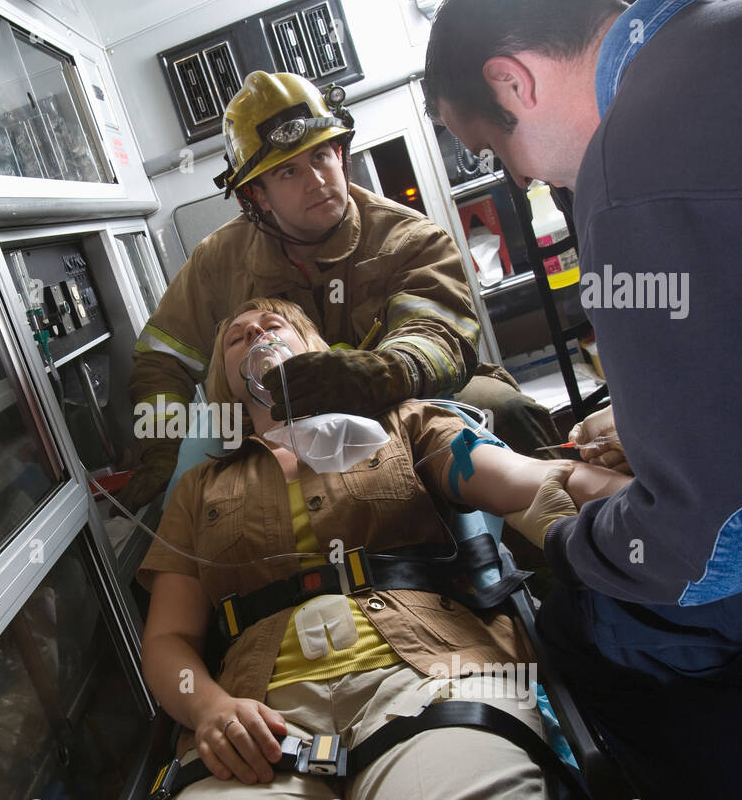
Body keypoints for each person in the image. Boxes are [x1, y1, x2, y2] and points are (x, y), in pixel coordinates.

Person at [423, 0, 742, 800]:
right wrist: (661, 418)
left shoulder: (630, 166)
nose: (523, 178)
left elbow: (733, 534)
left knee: (594, 618)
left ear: (514, 82)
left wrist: (575, 529)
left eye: (497, 150)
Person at [137, 297, 628, 800]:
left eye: (275, 324)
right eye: (236, 336)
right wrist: (209, 710)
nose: (256, 332)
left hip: (429, 680)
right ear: (223, 382)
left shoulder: (404, 424)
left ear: (318, 351)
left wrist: (642, 505)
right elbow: (167, 638)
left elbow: (527, 482)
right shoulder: (198, 487)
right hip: (259, 721)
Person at [122, 70, 559, 510]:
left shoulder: (408, 237)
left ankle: (563, 547)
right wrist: (163, 450)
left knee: (506, 410)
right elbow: (162, 359)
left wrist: (381, 372)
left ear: (341, 154)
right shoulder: (218, 262)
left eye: (321, 157)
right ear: (257, 195)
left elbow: (439, 336)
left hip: (404, 398)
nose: (315, 180)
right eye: (289, 171)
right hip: (279, 424)